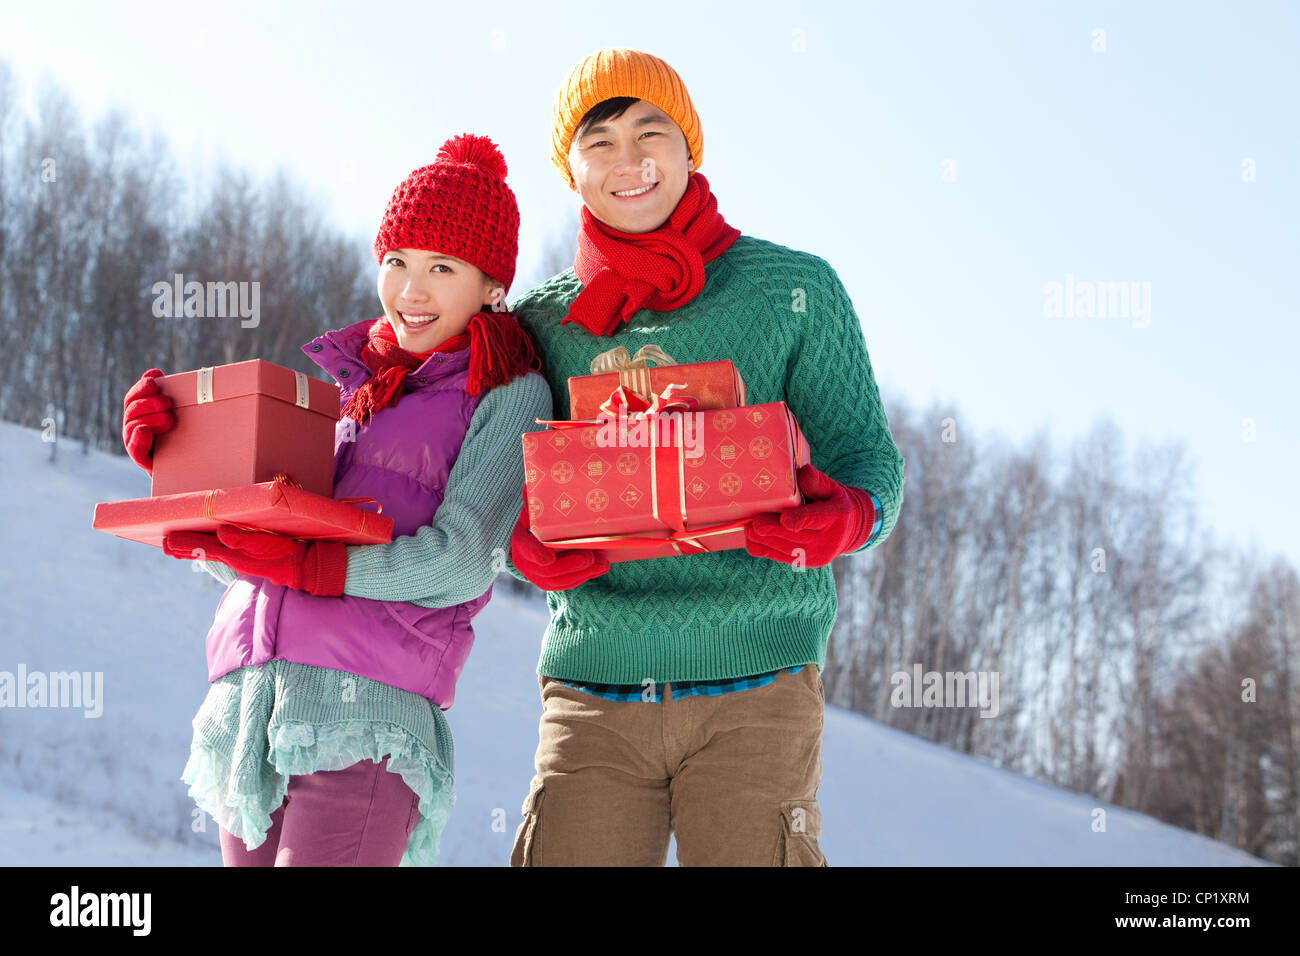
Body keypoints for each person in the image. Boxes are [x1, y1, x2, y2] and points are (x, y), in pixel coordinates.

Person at [504, 48, 906, 866]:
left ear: (691, 148)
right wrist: (517, 540)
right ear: (569, 168)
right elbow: (489, 474)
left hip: (758, 684)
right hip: (593, 691)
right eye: (601, 142)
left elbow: (870, 458)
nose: (630, 161)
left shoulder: (793, 290)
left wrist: (848, 518)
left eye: (653, 132)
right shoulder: (540, 322)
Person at [120, 133, 552, 866]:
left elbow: (463, 560)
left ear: (491, 285)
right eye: (397, 263)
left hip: (364, 719)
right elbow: (275, 548)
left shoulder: (507, 392)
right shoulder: (350, 391)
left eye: (441, 268)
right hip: (253, 707)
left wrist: (313, 570)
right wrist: (182, 471)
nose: (411, 291)